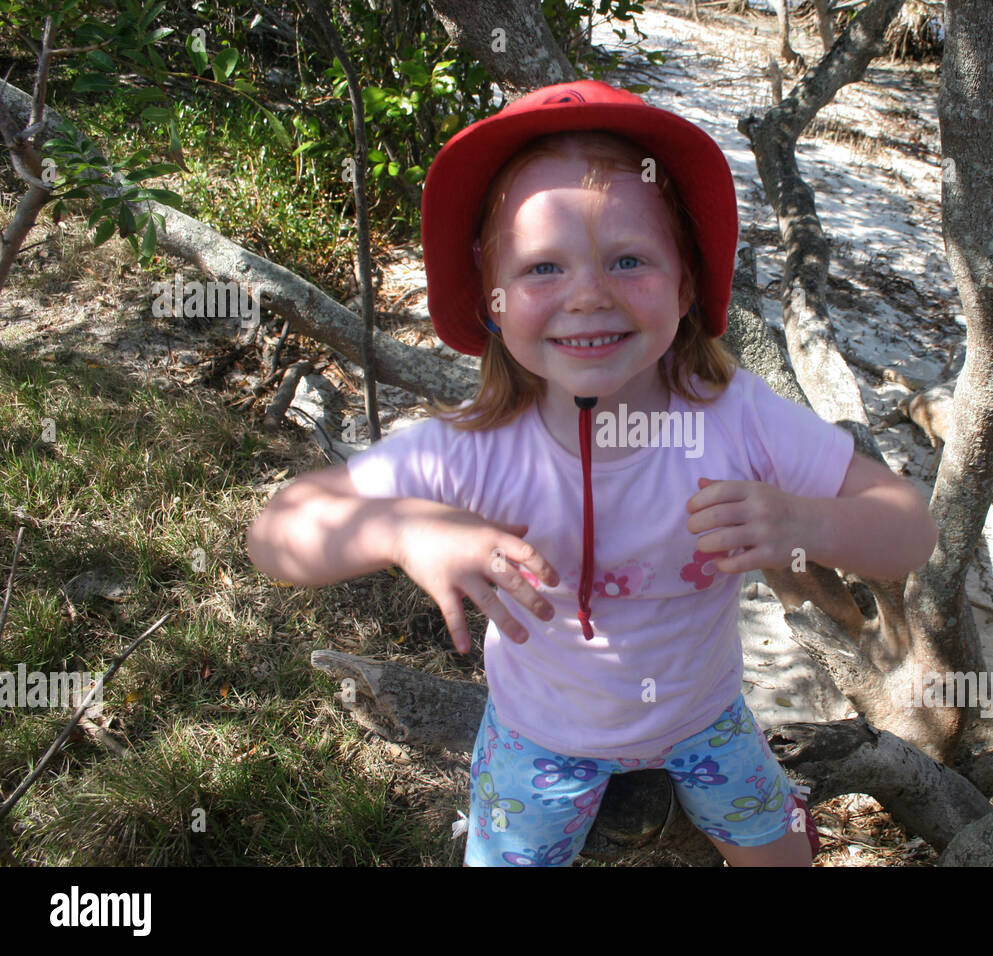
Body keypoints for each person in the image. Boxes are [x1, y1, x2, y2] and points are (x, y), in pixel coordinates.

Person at [245, 80, 938, 867]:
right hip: (538, 741)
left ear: (685, 284)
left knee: (780, 859)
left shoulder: (734, 414)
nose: (590, 296)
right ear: (492, 300)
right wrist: (405, 528)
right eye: (543, 268)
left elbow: (909, 527)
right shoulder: (474, 447)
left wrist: (806, 523)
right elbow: (275, 533)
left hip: (707, 722)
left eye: (629, 259)